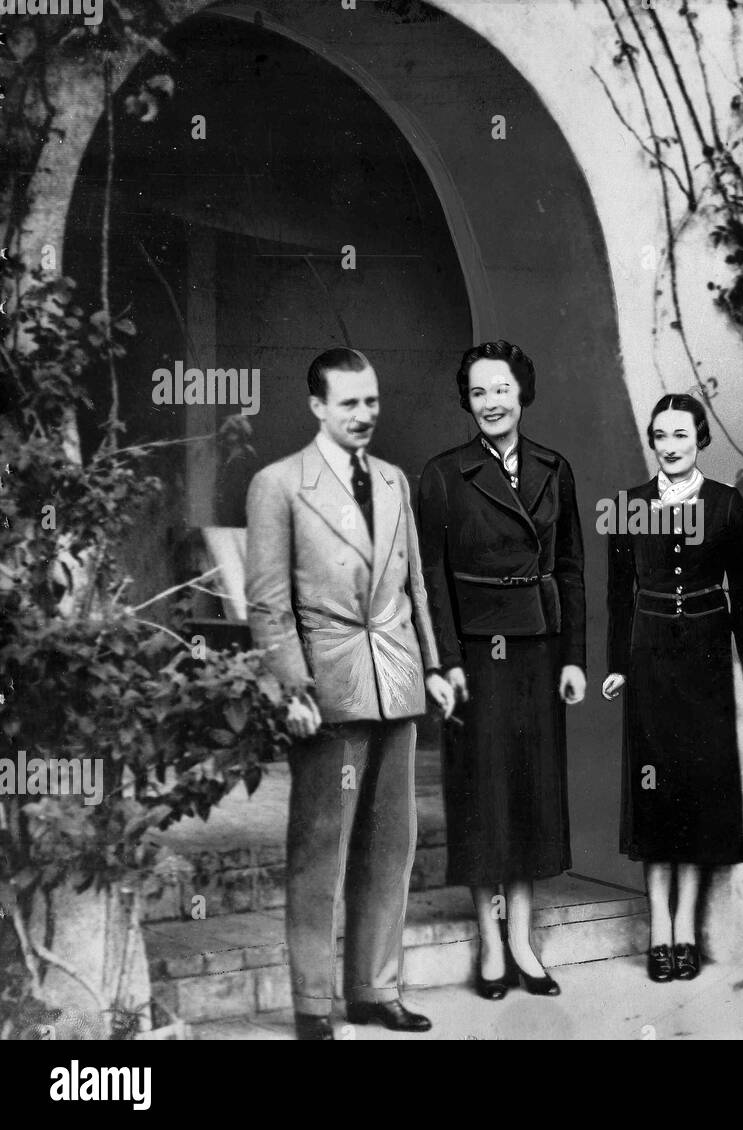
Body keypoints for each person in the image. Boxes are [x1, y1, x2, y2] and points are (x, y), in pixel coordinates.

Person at [245, 347, 456, 1041]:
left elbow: (415, 587)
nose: (364, 415)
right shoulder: (279, 484)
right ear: (316, 407)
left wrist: (431, 667)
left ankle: (373, 990)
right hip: (327, 690)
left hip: (396, 684)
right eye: (348, 404)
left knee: (391, 846)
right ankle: (312, 1006)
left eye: (371, 401)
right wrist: (292, 689)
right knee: (320, 850)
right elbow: (269, 605)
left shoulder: (394, 481)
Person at [417, 340, 586, 999]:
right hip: (476, 654)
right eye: (480, 391)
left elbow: (570, 567)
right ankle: (489, 945)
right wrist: (447, 662)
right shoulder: (442, 474)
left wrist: (573, 657)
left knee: (532, 793)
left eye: (503, 389)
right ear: (467, 400)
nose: (492, 402)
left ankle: (522, 938)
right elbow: (429, 580)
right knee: (483, 793)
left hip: (539, 648)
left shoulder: (555, 468)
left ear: (523, 395)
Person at [603, 393, 743, 982]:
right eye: (662, 435)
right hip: (651, 662)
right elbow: (616, 595)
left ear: (699, 439)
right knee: (656, 796)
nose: (672, 445)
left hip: (706, 662)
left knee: (696, 795)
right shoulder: (631, 506)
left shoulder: (727, 505)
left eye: (683, 435)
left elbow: (742, 595)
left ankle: (687, 927)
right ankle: (661, 931)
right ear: (652, 441)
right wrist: (616, 665)